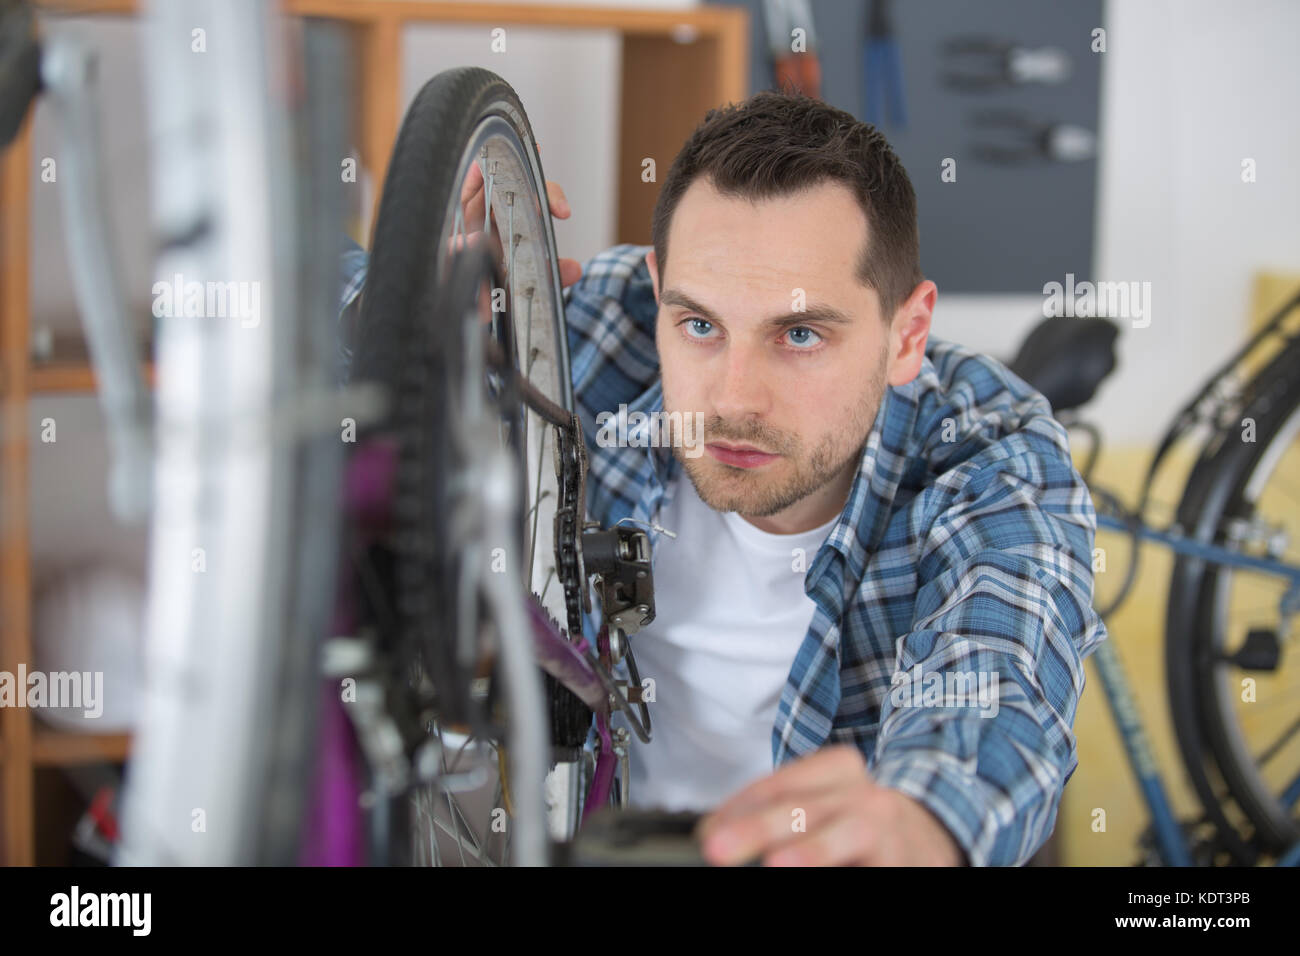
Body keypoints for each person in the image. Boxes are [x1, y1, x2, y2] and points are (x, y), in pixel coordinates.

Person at [338, 90, 1107, 867]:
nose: (734, 399)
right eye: (700, 325)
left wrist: (922, 819)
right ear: (658, 283)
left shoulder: (987, 454)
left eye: (800, 334)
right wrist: (412, 312)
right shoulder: (603, 323)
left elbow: (1002, 672)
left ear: (906, 336)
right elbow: (297, 298)